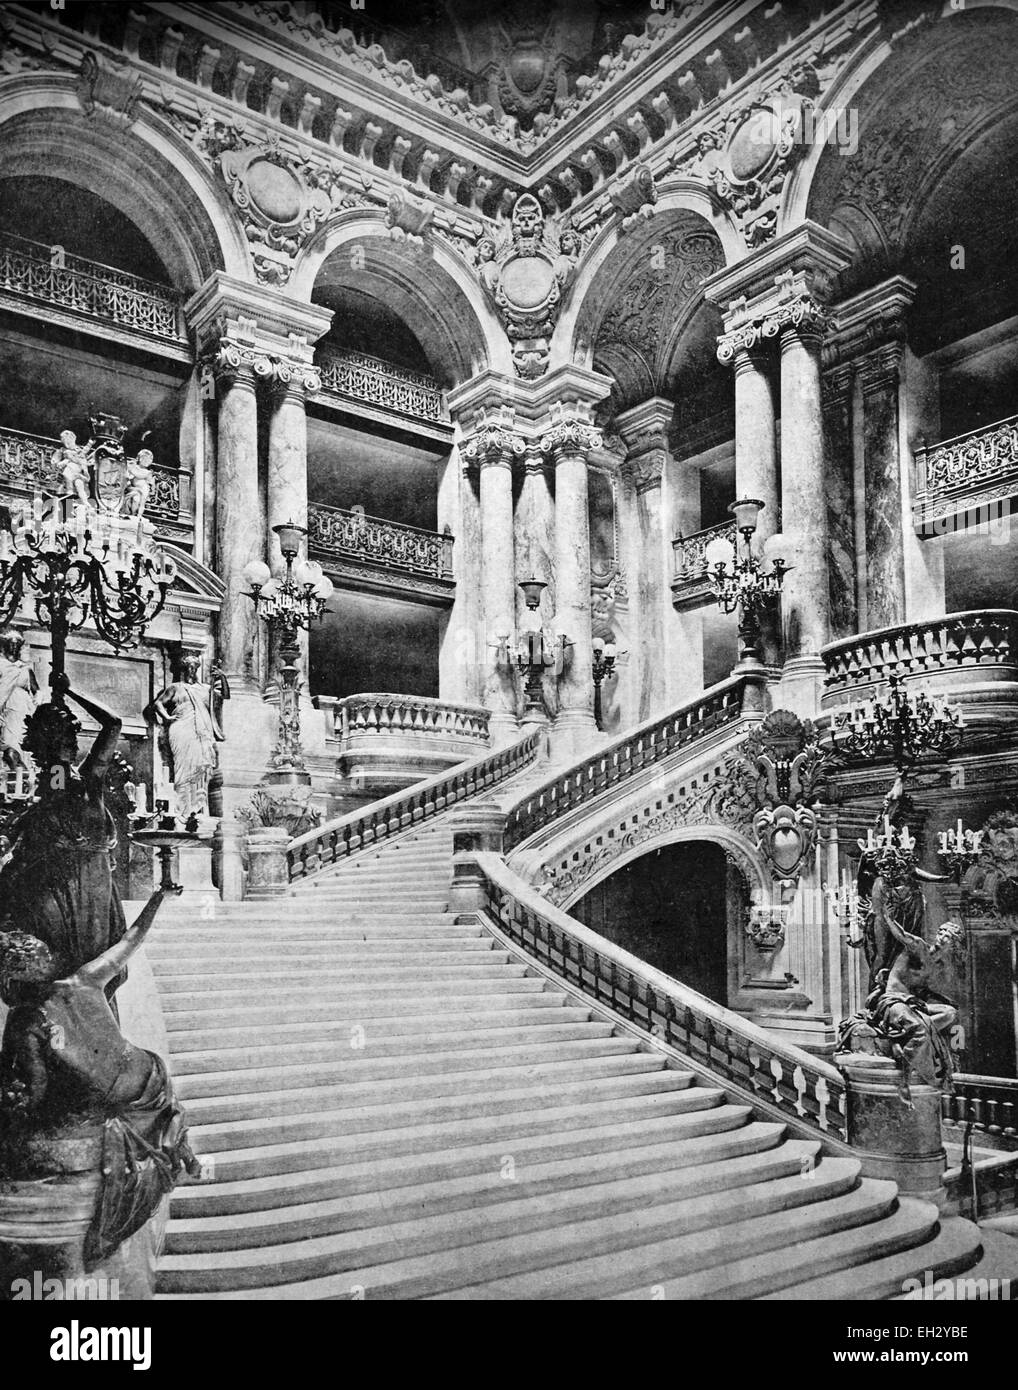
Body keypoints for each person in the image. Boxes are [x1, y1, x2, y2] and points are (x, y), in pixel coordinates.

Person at [0, 886, 201, 1267]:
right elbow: (131, 939)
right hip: (149, 1076)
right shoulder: (85, 979)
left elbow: (36, 1089)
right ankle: (181, 1148)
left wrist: (12, 1098)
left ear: (10, 981)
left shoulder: (26, 1019)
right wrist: (159, 896)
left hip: (112, 1100)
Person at [0, 675, 126, 1002]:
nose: (61, 748)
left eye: (65, 740)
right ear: (42, 750)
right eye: (52, 744)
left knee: (92, 971)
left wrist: (69, 690)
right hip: (64, 888)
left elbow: (113, 723)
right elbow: (51, 806)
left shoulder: (86, 780)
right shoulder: (59, 785)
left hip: (91, 888)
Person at [150, 654, 227, 815]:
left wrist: (222, 677)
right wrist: (167, 717)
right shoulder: (176, 687)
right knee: (183, 768)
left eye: (194, 667)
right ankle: (182, 809)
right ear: (184, 670)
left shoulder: (206, 689)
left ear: (197, 669)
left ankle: (197, 809)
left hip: (202, 732)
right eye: (188, 667)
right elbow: (158, 703)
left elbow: (224, 696)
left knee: (201, 767)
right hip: (181, 729)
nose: (191, 670)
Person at [0, 628, 38, 770]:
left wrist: (38, 699)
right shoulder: (1, 664)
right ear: (5, 644)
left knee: (24, 740)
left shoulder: (25, 668)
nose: (14, 646)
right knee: (10, 743)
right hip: (6, 705)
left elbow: (36, 689)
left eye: (17, 644)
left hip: (24, 707)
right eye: (11, 643)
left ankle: (25, 775)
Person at [124, 448, 155, 519]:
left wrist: (131, 469)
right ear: (139, 458)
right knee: (135, 499)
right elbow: (129, 478)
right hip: (134, 489)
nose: (146, 461)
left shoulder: (147, 472)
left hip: (144, 489)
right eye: (144, 458)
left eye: (148, 459)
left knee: (141, 503)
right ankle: (132, 514)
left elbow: (141, 476)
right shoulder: (134, 468)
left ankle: (138, 515)